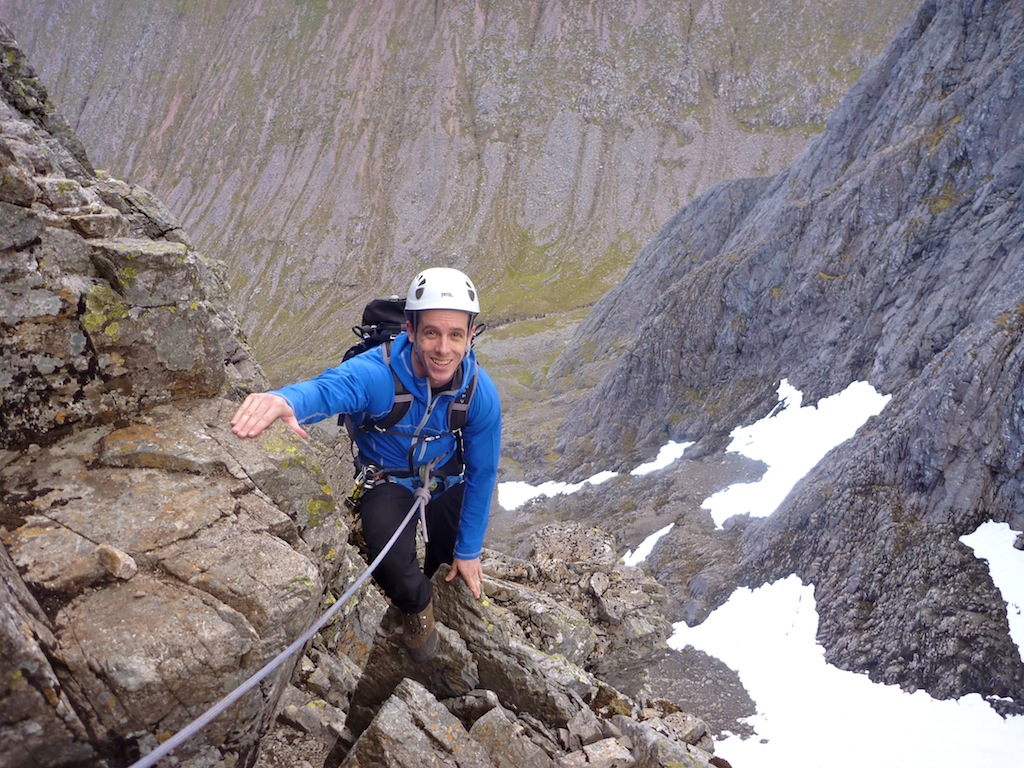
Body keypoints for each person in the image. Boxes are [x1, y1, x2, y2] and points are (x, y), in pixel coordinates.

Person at [231, 267, 502, 663]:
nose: (443, 348)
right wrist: (285, 400)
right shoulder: (377, 374)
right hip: (386, 479)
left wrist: (470, 549)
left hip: (445, 477)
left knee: (449, 561)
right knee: (392, 566)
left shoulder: (479, 392)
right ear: (411, 330)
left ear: (470, 336)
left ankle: (442, 597)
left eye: (455, 335)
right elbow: (329, 389)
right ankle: (417, 605)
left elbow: (483, 472)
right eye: (431, 333)